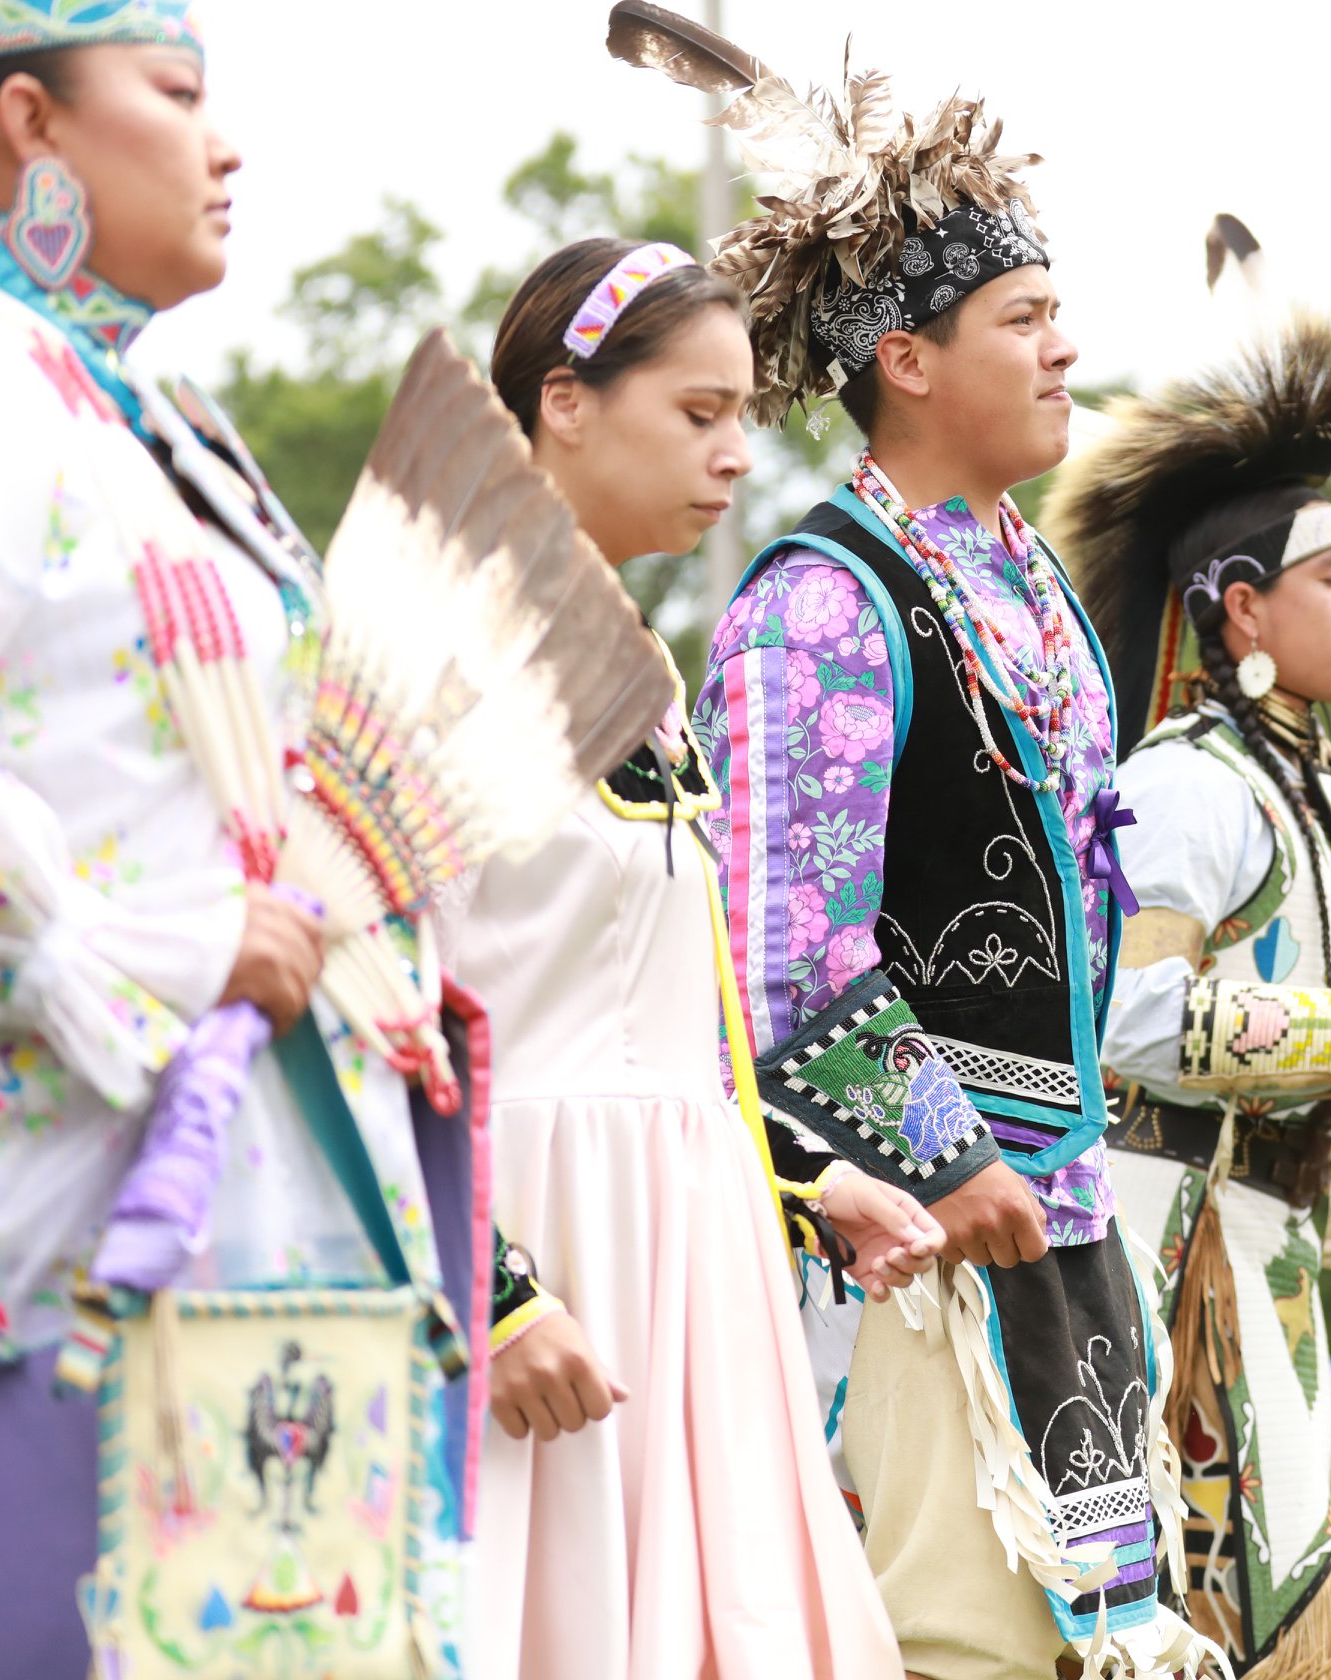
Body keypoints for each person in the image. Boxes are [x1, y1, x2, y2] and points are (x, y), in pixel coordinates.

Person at [642, 39, 1221, 1680]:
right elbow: (786, 959)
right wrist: (954, 1161)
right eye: (1024, 320)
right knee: (947, 1635)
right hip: (902, 1230)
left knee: (1088, 1643)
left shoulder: (1022, 583)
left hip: (1057, 1204)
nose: (1066, 350)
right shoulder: (820, 609)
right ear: (905, 356)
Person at [0, 6, 474, 1670]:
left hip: (259, 1231)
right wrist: (175, 948)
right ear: (28, 122)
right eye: (178, 98)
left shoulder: (150, 418)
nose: (224, 143)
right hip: (52, 1243)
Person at [449, 234, 933, 1679]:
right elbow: (378, 1007)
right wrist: (498, 1289)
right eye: (698, 411)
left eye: (746, 419)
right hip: (543, 1237)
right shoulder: (438, 657)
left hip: (695, 1246)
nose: (735, 456)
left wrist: (801, 1175)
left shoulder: (650, 678)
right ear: (565, 400)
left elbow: (688, 1018)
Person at [1044, 291, 1331, 1678]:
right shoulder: (1185, 786)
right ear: (1240, 607)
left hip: (1269, 1250)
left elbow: (1308, 1054)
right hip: (1174, 1260)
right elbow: (1137, 1021)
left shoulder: (1303, 790)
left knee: (1276, 1595)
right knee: (1213, 1613)